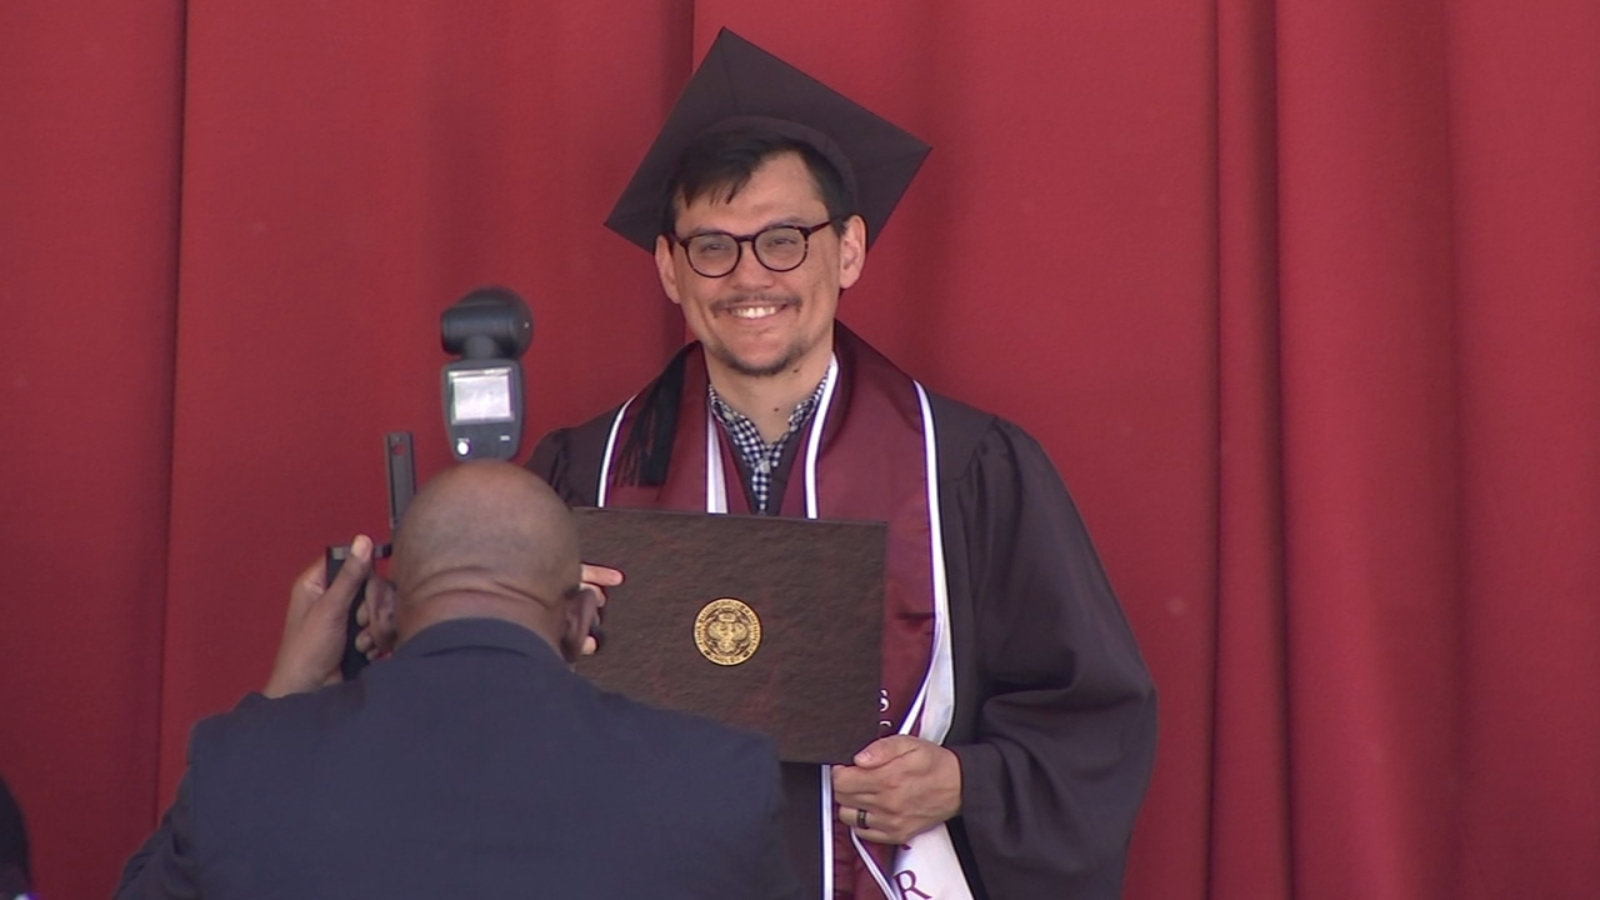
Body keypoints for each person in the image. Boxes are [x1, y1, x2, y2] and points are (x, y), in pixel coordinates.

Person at [528, 30, 1158, 900]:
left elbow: (1093, 722)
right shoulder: (582, 477)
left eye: (783, 239)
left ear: (849, 250)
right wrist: (543, 635)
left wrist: (964, 782)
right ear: (670, 269)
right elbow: (491, 722)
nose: (749, 276)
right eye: (712, 245)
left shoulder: (968, 472)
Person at [116, 462, 799, 900]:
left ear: (380, 613)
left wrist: (285, 695)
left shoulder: (242, 767)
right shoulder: (720, 783)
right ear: (582, 617)